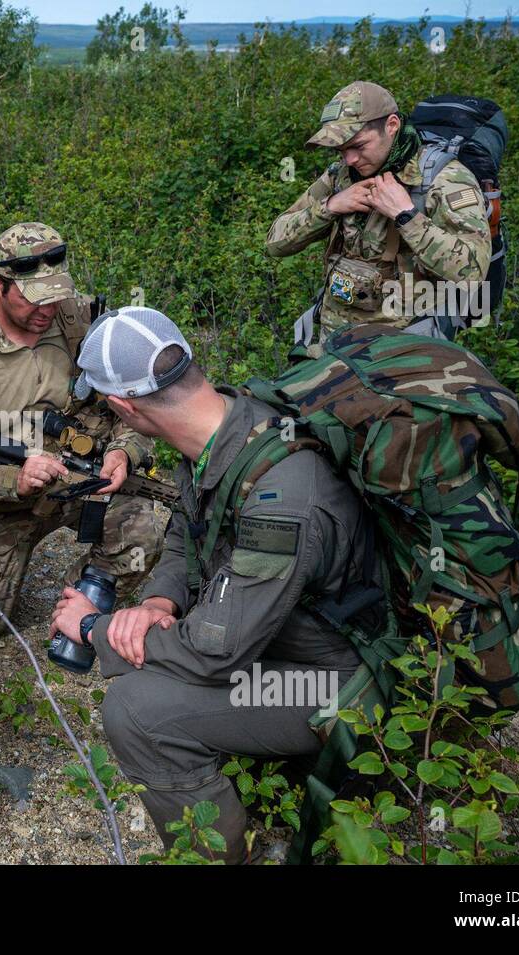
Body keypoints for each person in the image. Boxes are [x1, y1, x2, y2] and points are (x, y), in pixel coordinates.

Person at [50, 306, 373, 863]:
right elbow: (187, 531)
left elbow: (213, 651)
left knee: (136, 710)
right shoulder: (225, 423)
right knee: (152, 667)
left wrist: (90, 628)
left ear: (124, 406)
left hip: (336, 685)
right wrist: (158, 600)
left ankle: (222, 857)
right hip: (283, 637)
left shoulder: (283, 501)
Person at [0, 222, 163, 638]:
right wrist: (17, 479)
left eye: (55, 296)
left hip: (74, 483)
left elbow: (133, 407)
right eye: (34, 299)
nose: (46, 310)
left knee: (142, 531)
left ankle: (77, 612)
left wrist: (123, 451)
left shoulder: (83, 320)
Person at [266, 81, 491, 343]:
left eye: (358, 146)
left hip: (405, 350)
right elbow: (275, 242)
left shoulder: (443, 179)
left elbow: (473, 273)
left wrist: (406, 216)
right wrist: (329, 207)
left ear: (392, 126)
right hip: (335, 344)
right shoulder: (340, 177)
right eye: (341, 150)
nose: (349, 159)